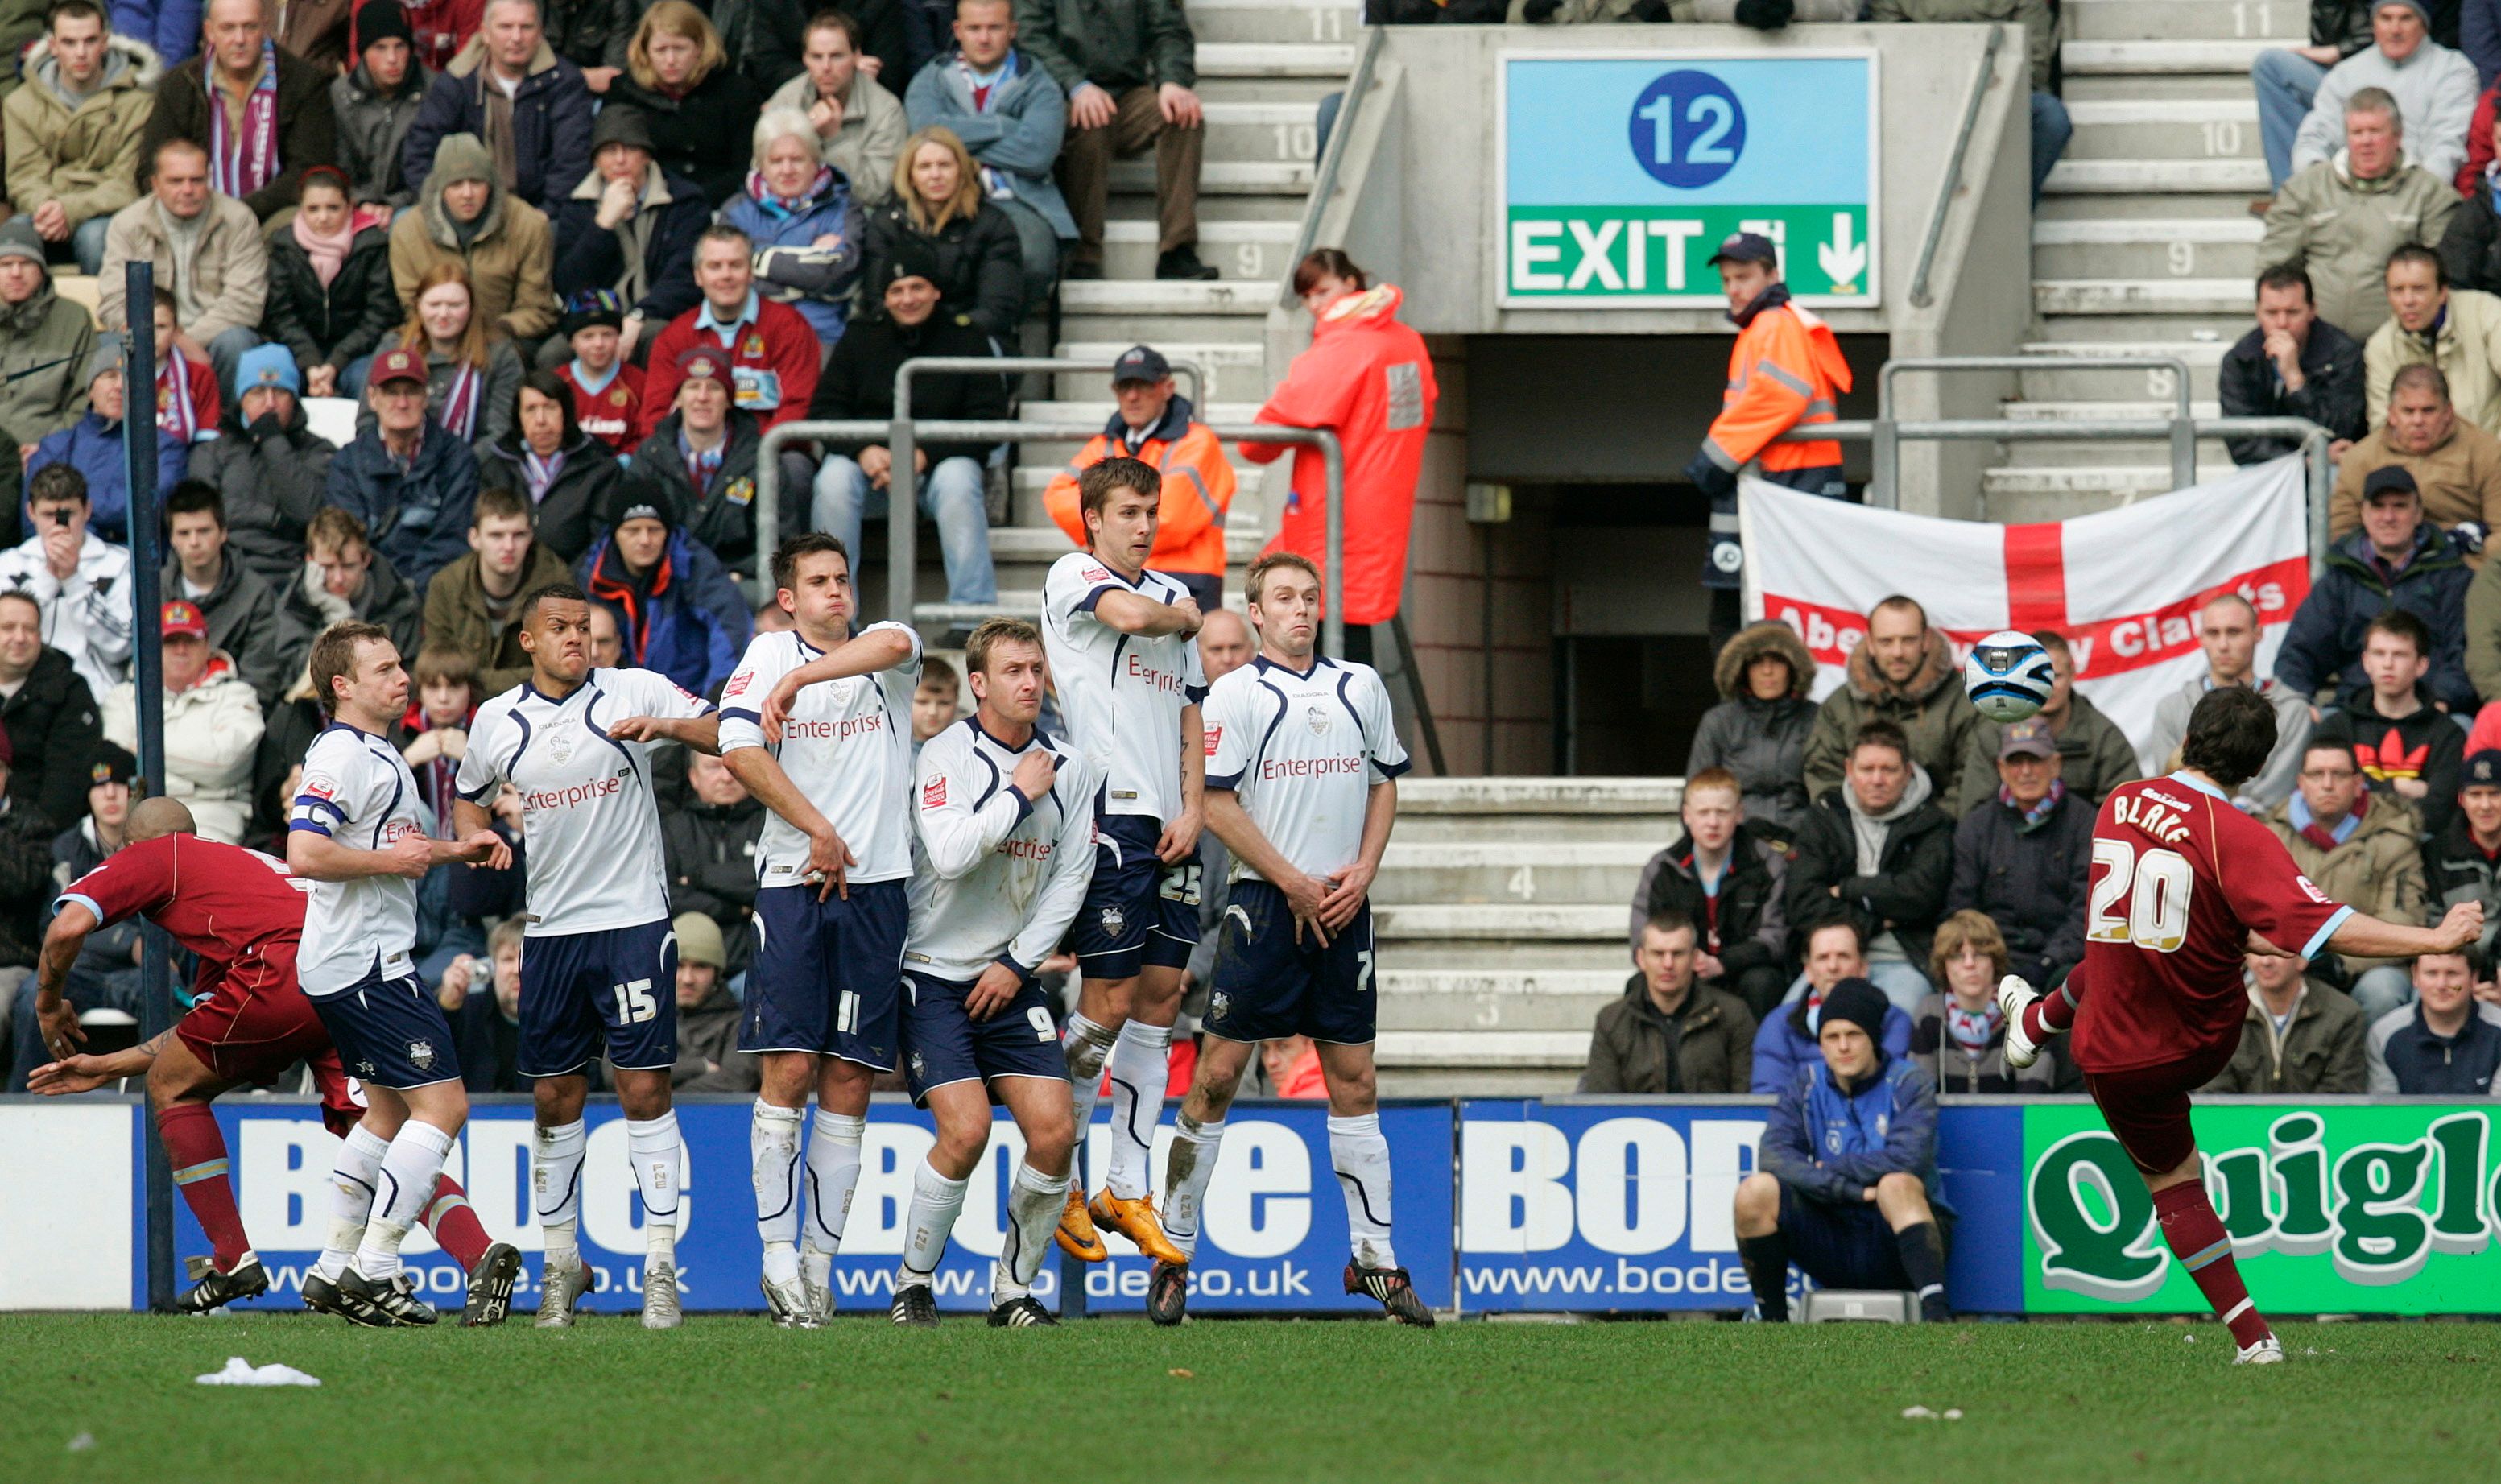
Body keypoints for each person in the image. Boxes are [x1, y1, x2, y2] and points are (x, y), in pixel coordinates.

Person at [2000, 686, 2483, 1362]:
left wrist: (2236, 930)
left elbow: (2170, 903)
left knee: (2170, 1172)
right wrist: (2432, 937)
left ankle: (2254, 1339)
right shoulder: (2239, 836)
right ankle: (2032, 1021)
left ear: (2189, 738)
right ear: (2259, 768)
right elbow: (2324, 927)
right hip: (2200, 1034)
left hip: (2114, 1049)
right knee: (2123, 981)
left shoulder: (2117, 802)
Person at [21, 796, 521, 1322]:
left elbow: (66, 928)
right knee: (376, 1131)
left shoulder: (156, 854)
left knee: (172, 1089)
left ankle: (232, 1256)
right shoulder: (242, 876)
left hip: (283, 970)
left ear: (132, 844)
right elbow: (206, 1031)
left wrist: (48, 1006)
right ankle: (475, 1254)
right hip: (344, 973)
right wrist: (104, 1066)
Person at [1151, 550, 1424, 1327]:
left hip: (1343, 907)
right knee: (1216, 1077)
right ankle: (1174, 1253)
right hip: (1265, 906)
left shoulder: (1360, 684)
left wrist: (1363, 871)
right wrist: (1293, 881)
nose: (1301, 608)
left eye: (1310, 596)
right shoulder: (1234, 693)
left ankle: (1374, 1260)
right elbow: (1219, 804)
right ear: (1258, 613)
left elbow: (1383, 781)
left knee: (1356, 1080)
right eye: (1284, 598)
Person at [450, 582, 718, 1328]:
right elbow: (468, 796)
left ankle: (661, 1266)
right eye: (561, 628)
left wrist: (665, 724)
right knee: (552, 1098)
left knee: (642, 1091)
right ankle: (563, 1265)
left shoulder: (632, 686)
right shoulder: (498, 720)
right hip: (551, 930)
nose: (578, 638)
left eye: (587, 628)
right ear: (528, 641)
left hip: (633, 921)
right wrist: (480, 837)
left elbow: (729, 731)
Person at [715, 534, 920, 1325]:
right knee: (791, 1067)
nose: (837, 591)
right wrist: (818, 828)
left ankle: (818, 1268)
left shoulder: (884, 654)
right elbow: (737, 749)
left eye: (843, 578)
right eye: (818, 582)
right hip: (797, 883)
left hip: (877, 890)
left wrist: (806, 675)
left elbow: (897, 641)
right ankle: (775, 1260)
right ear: (789, 597)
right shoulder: (764, 652)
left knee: (851, 1078)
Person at [287, 621, 502, 1325]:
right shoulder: (343, 755)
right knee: (444, 1108)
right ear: (342, 686)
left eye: (400, 664)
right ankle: (377, 1266)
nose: (402, 677)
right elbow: (305, 853)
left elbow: (394, 848)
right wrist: (398, 861)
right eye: (384, 669)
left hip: (351, 962)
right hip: (366, 965)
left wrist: (457, 850)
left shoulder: (376, 753)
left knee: (382, 1112)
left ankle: (329, 1266)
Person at [878, 616, 1091, 1328]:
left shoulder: (1071, 764)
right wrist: (1019, 793)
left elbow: (1072, 876)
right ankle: (912, 1284)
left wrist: (1016, 963)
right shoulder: (943, 755)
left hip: (1011, 975)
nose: (1030, 682)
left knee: (1056, 1134)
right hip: (932, 972)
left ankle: (1013, 1291)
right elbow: (949, 852)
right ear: (978, 684)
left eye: (1036, 669)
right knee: (965, 1132)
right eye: (1013, 671)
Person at [1036, 458, 1206, 1273]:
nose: (1143, 524)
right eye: (1129, 512)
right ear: (1094, 520)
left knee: (1162, 996)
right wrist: (1179, 614)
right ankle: (1058, 1180)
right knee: (1102, 1003)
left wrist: (1197, 804)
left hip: (1171, 818)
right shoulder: (1076, 574)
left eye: (1151, 510)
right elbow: (1135, 617)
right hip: (1108, 811)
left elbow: (1190, 713)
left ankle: (1122, 1185)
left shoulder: (1169, 591)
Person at [1242, 250, 1438, 666]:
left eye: (1322, 291)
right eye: (1308, 297)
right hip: (1382, 507)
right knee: (1352, 619)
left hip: (1333, 510)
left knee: (1314, 617)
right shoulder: (1407, 342)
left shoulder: (1343, 346)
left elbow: (1260, 438)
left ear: (1351, 283)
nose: (1316, 305)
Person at [1735, 978, 1952, 1323]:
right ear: (1821, 1045)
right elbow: (1773, 1155)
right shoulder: (1806, 1084)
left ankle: (1937, 1313)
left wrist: (1834, 1168)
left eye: (1854, 1035)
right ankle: (1772, 1319)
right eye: (1832, 1038)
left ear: (1874, 1039)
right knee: (1753, 1192)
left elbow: (1907, 1158)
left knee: (1897, 1183)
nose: (1843, 1047)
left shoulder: (1908, 1082)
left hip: (1896, 1241)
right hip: (1832, 1231)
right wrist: (1842, 1188)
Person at [807, 247, 1005, 610]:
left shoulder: (967, 337)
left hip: (938, 468)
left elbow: (988, 421)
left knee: (958, 480)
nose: (908, 298)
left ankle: (972, 614)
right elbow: (825, 411)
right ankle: (835, 614)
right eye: (897, 290)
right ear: (884, 298)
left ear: (936, 291)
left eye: (917, 287)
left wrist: (924, 453)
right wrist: (864, 450)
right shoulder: (860, 337)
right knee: (833, 480)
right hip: (870, 470)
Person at [1679, 230, 1852, 645]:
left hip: (1786, 481)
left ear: (1772, 275)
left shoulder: (1772, 325)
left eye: (1743, 277)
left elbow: (1781, 395)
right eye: (1726, 281)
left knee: (1743, 620)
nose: (1733, 290)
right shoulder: (1775, 324)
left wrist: (1712, 461)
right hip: (1792, 481)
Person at [1019, 0, 1209, 281]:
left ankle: (1177, 250)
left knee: (1183, 117)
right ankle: (1083, 253)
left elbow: (1169, 29)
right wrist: (1075, 84)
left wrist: (1172, 81)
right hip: (1064, 95)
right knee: (1093, 121)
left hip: (1130, 92)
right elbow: (1029, 36)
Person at [1042, 345, 1234, 614]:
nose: (1132, 396)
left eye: (1143, 386)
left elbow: (1173, 521)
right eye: (1124, 387)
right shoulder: (1104, 444)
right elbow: (1056, 499)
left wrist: (1110, 523)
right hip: (1119, 577)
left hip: (1188, 580)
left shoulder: (1199, 441)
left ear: (1167, 388)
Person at [903, 0, 1070, 302]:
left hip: (1018, 201)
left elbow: (1037, 154)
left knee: (1033, 261)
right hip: (940, 201)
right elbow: (924, 135)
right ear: (957, 30)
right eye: (974, 28)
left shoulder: (1039, 83)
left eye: (994, 28)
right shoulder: (931, 79)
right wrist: (1003, 126)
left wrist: (956, 144)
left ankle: (1007, 335)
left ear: (1012, 31)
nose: (983, 38)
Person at [2262, 89, 2458, 342]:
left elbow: (2444, 278)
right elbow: (2273, 267)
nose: (2366, 141)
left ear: (2398, 136)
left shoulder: (2431, 194)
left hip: (2399, 347)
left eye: (2375, 132)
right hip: (2315, 346)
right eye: (2357, 132)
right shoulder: (2306, 188)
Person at [1788, 718, 1953, 1015]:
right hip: (1830, 962)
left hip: (1902, 959)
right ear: (1850, 770)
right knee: (1789, 1019)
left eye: (1888, 770)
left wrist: (1849, 889)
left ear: (1907, 772)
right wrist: (1875, 922)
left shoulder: (1933, 824)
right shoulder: (1824, 817)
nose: (1877, 779)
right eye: (1867, 769)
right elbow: (1803, 901)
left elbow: (1919, 895)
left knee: (1898, 1019)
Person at [2279, 465, 2478, 711]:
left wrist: (2442, 700)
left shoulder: (2453, 576)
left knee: (2462, 731)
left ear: (2418, 513)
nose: (2388, 517)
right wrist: (2299, 703)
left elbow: (2468, 653)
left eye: (2400, 506)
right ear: (2363, 513)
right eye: (2378, 506)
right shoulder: (2340, 578)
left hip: (2435, 711)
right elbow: (2300, 652)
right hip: (2353, 710)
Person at [2265, 736, 2430, 1015]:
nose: (2327, 784)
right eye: (2317, 774)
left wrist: (2340, 962)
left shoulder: (2395, 836)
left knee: (2384, 991)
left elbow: (2403, 920)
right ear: (2301, 784)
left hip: (2365, 965)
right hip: (2287, 961)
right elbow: (2257, 911)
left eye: (2338, 774)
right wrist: (2293, 959)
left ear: (2357, 784)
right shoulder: (2272, 835)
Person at [136, 0, 337, 223]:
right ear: (209, 32)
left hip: (272, 213)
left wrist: (241, 212)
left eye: (250, 27)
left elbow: (309, 170)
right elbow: (151, 166)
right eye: (228, 28)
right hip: (192, 211)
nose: (239, 40)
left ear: (265, 27)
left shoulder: (304, 82)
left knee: (292, 225)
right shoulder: (180, 84)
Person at [99, 138, 267, 396]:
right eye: (176, 181)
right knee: (107, 344)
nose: (188, 189)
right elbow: (113, 303)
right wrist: (170, 339)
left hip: (215, 338)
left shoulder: (239, 219)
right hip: (150, 337)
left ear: (209, 179)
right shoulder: (127, 225)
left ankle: (227, 428)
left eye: (197, 180)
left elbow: (246, 302)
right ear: (155, 184)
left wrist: (192, 341)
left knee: (237, 342)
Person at [399, 0, 596, 219]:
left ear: (540, 33)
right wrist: (448, 210)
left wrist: (542, 216)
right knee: (404, 222)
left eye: (526, 27)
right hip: (465, 214)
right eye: (505, 27)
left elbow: (572, 163)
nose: (516, 37)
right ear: (485, 33)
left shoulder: (565, 82)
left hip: (543, 214)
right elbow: (419, 154)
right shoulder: (458, 81)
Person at [2, 0, 157, 276]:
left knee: (95, 237)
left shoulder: (138, 103)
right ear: (52, 46)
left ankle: (104, 318)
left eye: (90, 41)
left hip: (106, 212)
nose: (81, 53)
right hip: (45, 210)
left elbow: (126, 183)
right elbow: (24, 177)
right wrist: (48, 207)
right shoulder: (21, 104)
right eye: (70, 43)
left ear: (105, 42)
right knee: (14, 239)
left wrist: (68, 209)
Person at [1626, 767, 1788, 1019]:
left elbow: (1775, 938)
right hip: (1683, 971)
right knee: (1638, 985)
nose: (1713, 823)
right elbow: (1642, 937)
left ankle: (1757, 1058)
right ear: (1687, 816)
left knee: (1765, 981)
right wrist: (1684, 960)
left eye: (1722, 812)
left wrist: (1723, 963)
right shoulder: (1663, 868)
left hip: (1742, 973)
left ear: (1739, 815)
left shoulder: (1766, 864)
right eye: (1703, 813)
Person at [639, 225, 824, 443]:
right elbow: (655, 417)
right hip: (692, 457)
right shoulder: (674, 337)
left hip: (770, 455)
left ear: (750, 273)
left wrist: (745, 457)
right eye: (715, 266)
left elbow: (799, 406)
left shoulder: (789, 326)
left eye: (735, 265)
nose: (726, 275)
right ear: (698, 276)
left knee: (794, 468)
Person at [552, 106, 709, 360]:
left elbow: (684, 276)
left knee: (660, 338)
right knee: (553, 355)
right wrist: (603, 223)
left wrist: (639, 316)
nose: (620, 160)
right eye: (609, 151)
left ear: (647, 155)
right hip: (595, 319)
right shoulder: (577, 206)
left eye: (631, 149)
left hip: (658, 315)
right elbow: (569, 285)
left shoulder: (684, 201)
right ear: (596, 161)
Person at [624, 346, 800, 575]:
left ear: (729, 400)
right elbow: (627, 533)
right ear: (678, 398)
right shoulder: (650, 455)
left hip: (739, 582)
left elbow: (783, 544)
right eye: (693, 386)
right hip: (666, 578)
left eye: (714, 387)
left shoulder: (761, 458)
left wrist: (737, 573)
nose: (702, 397)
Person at [1945, 717, 2094, 989]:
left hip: (2065, 965)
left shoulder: (2085, 823)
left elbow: (2087, 909)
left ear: (2055, 764)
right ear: (2001, 769)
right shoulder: (1976, 826)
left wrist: (2049, 961)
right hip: (1992, 965)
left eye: (2035, 760)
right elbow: (1962, 908)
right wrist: (1987, 960)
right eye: (2015, 762)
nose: (2025, 771)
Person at [1870, 0, 2065, 202]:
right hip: (1919, 96)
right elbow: (1887, 52)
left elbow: (2033, 63)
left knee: (2051, 118)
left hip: (2000, 91)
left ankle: (2014, 212)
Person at [326, 346, 483, 595]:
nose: (402, 403)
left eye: (411, 392)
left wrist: (414, 590)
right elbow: (347, 544)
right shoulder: (346, 464)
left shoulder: (457, 459)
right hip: (368, 596)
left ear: (426, 396)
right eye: (391, 393)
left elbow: (453, 540)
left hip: (435, 594)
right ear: (372, 398)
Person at [101, 600, 262, 844]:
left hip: (213, 817)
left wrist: (142, 750)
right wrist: (196, 781)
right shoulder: (123, 697)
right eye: (170, 642)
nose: (181, 650)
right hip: (138, 813)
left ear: (207, 645)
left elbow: (224, 763)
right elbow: (118, 766)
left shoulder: (237, 694)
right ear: (152, 647)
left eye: (190, 641)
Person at [185, 341, 336, 596]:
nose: (269, 403)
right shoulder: (213, 452)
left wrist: (272, 439)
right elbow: (202, 514)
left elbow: (309, 511)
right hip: (227, 572)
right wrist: (272, 517)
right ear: (241, 400)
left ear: (295, 399)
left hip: (294, 575)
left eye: (280, 392)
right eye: (257, 392)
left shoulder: (318, 450)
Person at [1800, 595, 1980, 806]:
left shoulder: (1965, 702)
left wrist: (1932, 829)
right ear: (1870, 644)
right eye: (1886, 641)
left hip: (1940, 831)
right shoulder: (1840, 705)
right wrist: (1849, 828)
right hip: (1856, 832)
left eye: (1908, 640)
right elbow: (1824, 775)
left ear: (1926, 640)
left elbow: (1973, 780)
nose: (1897, 653)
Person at [2142, 593, 2313, 812]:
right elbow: (2169, 786)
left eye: (2234, 632)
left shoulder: (2292, 710)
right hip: (2188, 830)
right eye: (2213, 633)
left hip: (2265, 831)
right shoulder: (2172, 708)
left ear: (2257, 634)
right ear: (2201, 637)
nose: (2223, 645)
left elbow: (2279, 791)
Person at [576, 482, 751, 696]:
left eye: (654, 529)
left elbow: (730, 628)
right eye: (632, 530)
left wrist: (719, 696)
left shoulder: (694, 565)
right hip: (613, 705)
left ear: (668, 531)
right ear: (615, 534)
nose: (645, 540)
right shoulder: (592, 573)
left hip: (689, 703)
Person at [389, 133, 562, 348]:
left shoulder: (529, 224)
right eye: (456, 185)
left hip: (506, 338)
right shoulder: (408, 230)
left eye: (477, 182)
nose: (467, 193)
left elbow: (538, 308)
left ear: (490, 185)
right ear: (441, 189)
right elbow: (410, 302)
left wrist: (493, 334)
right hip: (434, 336)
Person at [720, 113, 867, 357]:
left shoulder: (843, 207)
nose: (787, 170)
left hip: (821, 335)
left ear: (816, 161)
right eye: (776, 161)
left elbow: (841, 274)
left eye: (797, 159)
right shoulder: (736, 211)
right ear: (761, 165)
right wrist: (810, 264)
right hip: (750, 334)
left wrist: (757, 260)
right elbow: (727, 278)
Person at [858, 125, 1025, 339]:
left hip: (972, 338)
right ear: (910, 176)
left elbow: (997, 309)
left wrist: (945, 336)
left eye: (945, 165)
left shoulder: (994, 224)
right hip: (904, 337)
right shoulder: (886, 225)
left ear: (961, 171)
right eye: (924, 167)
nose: (935, 175)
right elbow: (876, 302)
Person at [2290, 0, 2478, 187]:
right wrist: (2318, 186)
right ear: (2373, 24)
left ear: (2423, 24)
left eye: (2406, 18)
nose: (2395, 30)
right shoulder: (2346, 72)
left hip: (2417, 194)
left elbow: (2446, 148)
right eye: (2386, 18)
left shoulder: (2453, 70)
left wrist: (2419, 197)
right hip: (2348, 194)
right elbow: (2315, 137)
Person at [2315, 609, 2467, 838]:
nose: (2387, 664)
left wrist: (2365, 790)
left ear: (2421, 665)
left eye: (2399, 655)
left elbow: (2439, 812)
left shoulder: (2448, 734)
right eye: (2379, 653)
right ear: (2366, 661)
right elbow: (2327, 800)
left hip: (2419, 848)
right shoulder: (2337, 727)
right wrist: (2400, 788)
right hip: (2347, 844)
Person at [1952, 633, 2139, 818]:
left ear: (2072, 675)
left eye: (2056, 676)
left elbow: (2125, 816)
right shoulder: (1993, 735)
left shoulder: (2102, 736)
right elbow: (1973, 816)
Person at [604, 1, 763, 208]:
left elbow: (746, 168)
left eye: (680, 48)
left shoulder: (737, 92)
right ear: (646, 51)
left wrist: (695, 201)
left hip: (719, 204)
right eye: (660, 50)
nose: (670, 60)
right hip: (644, 205)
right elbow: (613, 161)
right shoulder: (624, 91)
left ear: (699, 47)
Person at [1581, 910, 1757, 1096]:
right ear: (1641, 958)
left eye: (1678, 953)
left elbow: (1746, 1102)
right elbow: (1602, 1104)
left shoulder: (1733, 1015)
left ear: (1695, 958)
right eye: (1658, 954)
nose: (1668, 964)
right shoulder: (1611, 1021)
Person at [261, 167, 399, 403]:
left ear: (350, 206)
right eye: (313, 209)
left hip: (357, 352)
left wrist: (336, 361)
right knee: (274, 378)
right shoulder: (284, 246)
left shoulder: (371, 245)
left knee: (365, 379)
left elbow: (379, 315)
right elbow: (281, 315)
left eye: (333, 208)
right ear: (301, 209)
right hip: (299, 350)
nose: (323, 217)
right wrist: (311, 362)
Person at [28, 341, 187, 547]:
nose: (120, 385)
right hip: (68, 559)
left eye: (129, 376)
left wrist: (79, 510)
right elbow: (37, 519)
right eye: (109, 376)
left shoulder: (164, 447)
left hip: (139, 566)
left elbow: (151, 508)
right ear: (90, 390)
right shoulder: (55, 448)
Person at [0, 464, 130, 705]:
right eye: (49, 515)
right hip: (21, 702)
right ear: (30, 512)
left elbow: (121, 646)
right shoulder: (8, 564)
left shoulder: (120, 564)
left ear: (87, 511)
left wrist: (73, 580)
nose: (58, 526)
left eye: (67, 514)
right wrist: (50, 576)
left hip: (97, 699)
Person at [2332, 362, 2501, 549]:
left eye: (2428, 410)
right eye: (2408, 411)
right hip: (2385, 567)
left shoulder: (2487, 452)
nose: (2418, 421)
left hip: (2463, 564)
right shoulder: (2360, 459)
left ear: (2448, 412)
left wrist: (2462, 568)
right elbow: (2342, 533)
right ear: (2392, 414)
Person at [422, 485, 572, 694]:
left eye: (518, 535)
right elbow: (436, 671)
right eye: (496, 536)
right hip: (462, 710)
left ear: (530, 536)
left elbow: (560, 671)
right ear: (474, 538)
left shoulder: (557, 585)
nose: (509, 546)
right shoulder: (445, 586)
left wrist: (474, 680)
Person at [2219, 262, 2370, 465]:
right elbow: (2242, 445)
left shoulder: (2342, 352)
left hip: (2331, 466)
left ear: (2312, 310)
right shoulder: (2241, 360)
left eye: (2292, 312)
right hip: (2269, 468)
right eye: (2272, 313)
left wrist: (2295, 380)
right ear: (2258, 312)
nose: (2282, 323)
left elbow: (2340, 431)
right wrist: (2304, 461)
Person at [1686, 619, 1816, 845]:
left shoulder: (1817, 719)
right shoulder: (1719, 722)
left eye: (1777, 661)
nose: (1767, 671)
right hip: (1733, 845)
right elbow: (1696, 796)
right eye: (1757, 662)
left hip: (1801, 843)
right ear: (1742, 669)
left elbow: (1830, 796)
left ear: (1793, 667)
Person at [376, 262, 527, 454]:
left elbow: (500, 433)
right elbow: (368, 422)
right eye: (434, 305)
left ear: (471, 307)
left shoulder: (500, 355)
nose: (444, 314)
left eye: (455, 305)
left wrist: (456, 469)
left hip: (472, 472)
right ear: (419, 306)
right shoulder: (393, 348)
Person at [1751, 919, 1914, 1093]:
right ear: (1808, 971)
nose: (1833, 967)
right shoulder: (1779, 1024)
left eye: (1843, 956)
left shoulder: (1893, 1020)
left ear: (1863, 968)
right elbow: (1769, 1097)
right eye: (1823, 958)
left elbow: (1892, 1090)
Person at [160, 482, 283, 709]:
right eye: (184, 533)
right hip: (165, 710)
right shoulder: (153, 592)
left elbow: (261, 678)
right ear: (172, 539)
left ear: (223, 533)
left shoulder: (256, 593)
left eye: (204, 530)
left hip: (230, 715)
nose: (194, 542)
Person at [477, 368, 622, 561]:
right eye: (531, 409)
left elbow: (601, 544)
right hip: (509, 578)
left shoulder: (600, 469)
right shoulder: (496, 468)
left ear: (566, 413)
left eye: (550, 407)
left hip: (574, 583)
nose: (541, 420)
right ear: (518, 418)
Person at [765, 10, 906, 208]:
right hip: (791, 212)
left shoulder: (886, 110)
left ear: (856, 56)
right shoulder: (787, 100)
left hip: (857, 216)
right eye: (816, 56)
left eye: (837, 56)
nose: (826, 67)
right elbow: (761, 175)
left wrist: (835, 139)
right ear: (805, 59)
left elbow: (877, 194)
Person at [0, 218, 97, 499]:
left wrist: (49, 446)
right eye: (5, 265)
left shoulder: (73, 318)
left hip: (50, 455)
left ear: (42, 270)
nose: (16, 273)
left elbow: (84, 400)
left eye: (26, 264)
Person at [1912, 909, 2054, 1093]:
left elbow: (2035, 1095)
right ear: (1944, 965)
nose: (1969, 964)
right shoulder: (1929, 1013)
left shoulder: (2026, 1008)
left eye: (1979, 954)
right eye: (1957, 956)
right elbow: (1920, 1098)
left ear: (1994, 960)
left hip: (2015, 1122)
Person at [275, 507, 424, 684]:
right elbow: (291, 674)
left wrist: (345, 623)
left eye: (348, 566)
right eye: (327, 567)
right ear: (310, 561)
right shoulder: (294, 604)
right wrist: (336, 620)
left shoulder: (398, 601)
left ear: (365, 560)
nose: (338, 578)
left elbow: (407, 676)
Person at [2365, 244, 2501, 430]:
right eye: (2398, 290)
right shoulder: (2380, 347)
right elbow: (2384, 426)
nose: (2408, 301)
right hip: (2419, 456)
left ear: (2442, 292)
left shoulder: (2486, 313)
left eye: (2418, 289)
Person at [2252, 0, 2383, 189]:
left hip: (2393, 74)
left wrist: (2340, 51)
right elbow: (2325, 38)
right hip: (2342, 78)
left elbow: (2398, 21)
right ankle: (2292, 192)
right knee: (2270, 66)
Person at [0, 591, 102, 830]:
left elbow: (66, 782)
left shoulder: (69, 691)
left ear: (41, 636)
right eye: (8, 628)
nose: (20, 637)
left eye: (29, 629)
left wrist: (33, 837)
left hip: (40, 837)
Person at [2205, 949, 2371, 1093]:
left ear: (2302, 959)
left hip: (2316, 1126)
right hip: (2240, 1126)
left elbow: (2342, 1095)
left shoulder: (2344, 1015)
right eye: (2257, 952)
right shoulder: (2221, 1015)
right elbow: (2214, 1093)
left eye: (2277, 952)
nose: (2266, 961)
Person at [664, 748, 765, 976]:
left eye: (734, 767)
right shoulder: (672, 829)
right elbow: (668, 897)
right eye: (713, 767)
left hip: (754, 969)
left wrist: (698, 878)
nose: (726, 777)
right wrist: (737, 909)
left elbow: (766, 882)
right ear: (693, 777)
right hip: (687, 974)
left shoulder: (771, 823)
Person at [333, 0, 436, 211]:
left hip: (414, 206)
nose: (392, 58)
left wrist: (395, 205)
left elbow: (433, 170)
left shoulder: (433, 91)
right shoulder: (342, 93)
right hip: (355, 205)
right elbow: (340, 164)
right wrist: (360, 201)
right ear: (363, 52)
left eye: (400, 46)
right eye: (380, 48)